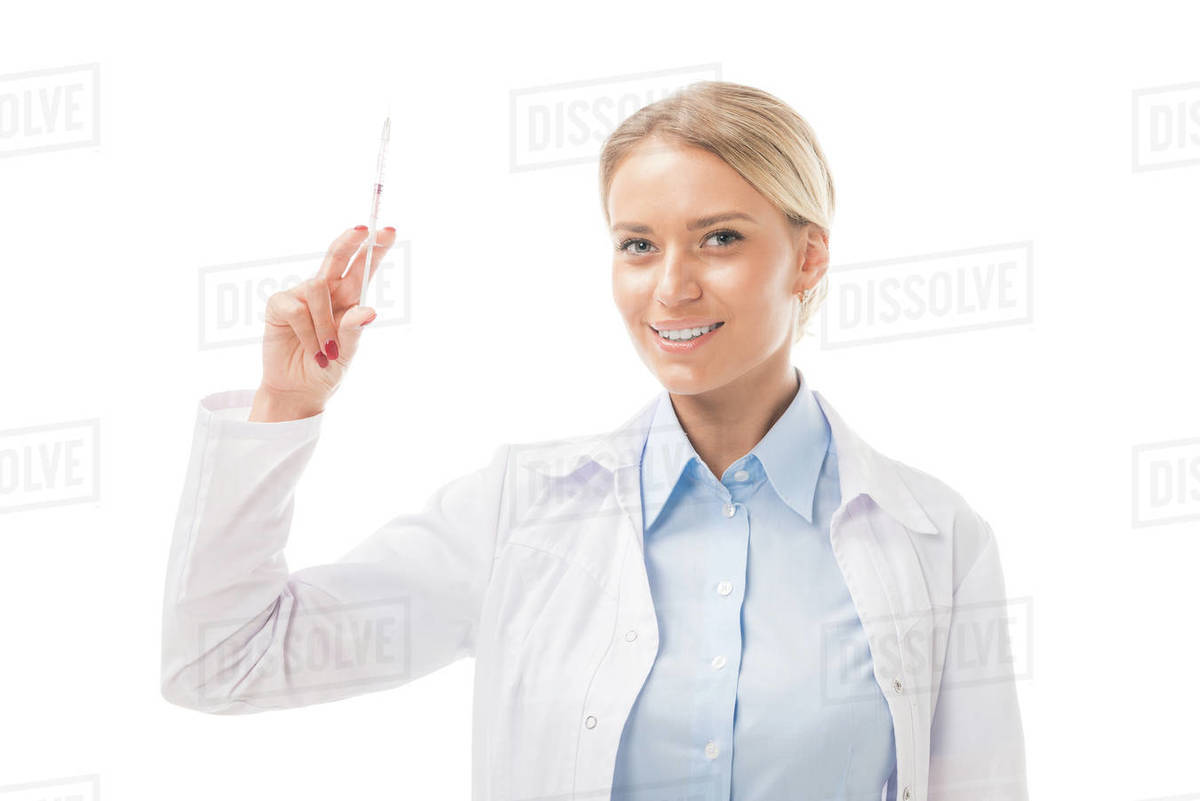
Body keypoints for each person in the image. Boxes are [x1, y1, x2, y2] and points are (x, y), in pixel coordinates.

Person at [161, 81, 1029, 801]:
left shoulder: (935, 541)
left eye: (720, 237)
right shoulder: (519, 515)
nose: (673, 287)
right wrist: (285, 401)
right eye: (638, 245)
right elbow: (223, 660)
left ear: (808, 259)